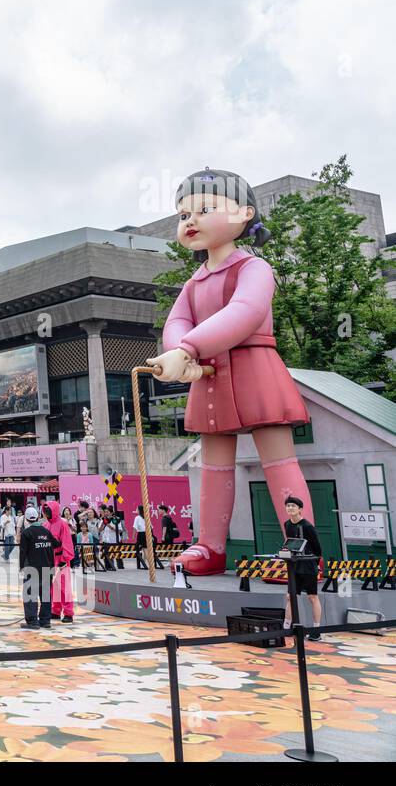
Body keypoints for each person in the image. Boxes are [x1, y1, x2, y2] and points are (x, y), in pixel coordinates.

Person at [148, 168, 315, 576]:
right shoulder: (193, 281)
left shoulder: (254, 269)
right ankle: (210, 547)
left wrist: (187, 350)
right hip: (209, 376)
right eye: (183, 214)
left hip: (254, 367)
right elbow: (176, 322)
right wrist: (181, 354)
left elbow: (245, 313)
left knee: (279, 459)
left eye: (204, 209)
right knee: (214, 464)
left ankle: (304, 548)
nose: (190, 221)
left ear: (244, 213)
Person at [282, 495, 324, 639]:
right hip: (294, 565)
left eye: (293, 506)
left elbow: (318, 549)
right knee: (290, 596)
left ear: (300, 509)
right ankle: (286, 627)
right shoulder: (287, 524)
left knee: (312, 597)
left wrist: (315, 564)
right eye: (288, 506)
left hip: (308, 565)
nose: (290, 508)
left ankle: (316, 630)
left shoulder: (307, 527)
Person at [18, 505, 55, 629]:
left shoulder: (26, 533)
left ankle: (32, 621)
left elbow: (23, 551)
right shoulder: (46, 531)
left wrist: (21, 567)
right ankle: (45, 621)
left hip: (32, 568)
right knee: (45, 595)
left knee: (30, 594)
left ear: (26, 519)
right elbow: (56, 544)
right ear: (38, 517)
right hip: (47, 567)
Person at [45, 501, 75, 623]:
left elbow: (67, 542)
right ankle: (55, 611)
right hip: (50, 560)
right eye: (45, 510)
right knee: (53, 588)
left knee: (64, 588)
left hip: (61, 559)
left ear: (54, 510)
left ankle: (68, 613)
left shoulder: (63, 524)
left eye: (48, 510)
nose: (46, 512)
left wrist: (65, 559)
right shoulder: (46, 525)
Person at [133, 505, 151, 570]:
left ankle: (149, 564)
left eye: (137, 509)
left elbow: (135, 527)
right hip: (148, 533)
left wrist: (133, 536)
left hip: (141, 534)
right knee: (144, 549)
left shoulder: (137, 517)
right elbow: (151, 526)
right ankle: (144, 563)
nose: (136, 510)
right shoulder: (146, 516)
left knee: (145, 549)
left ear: (139, 510)